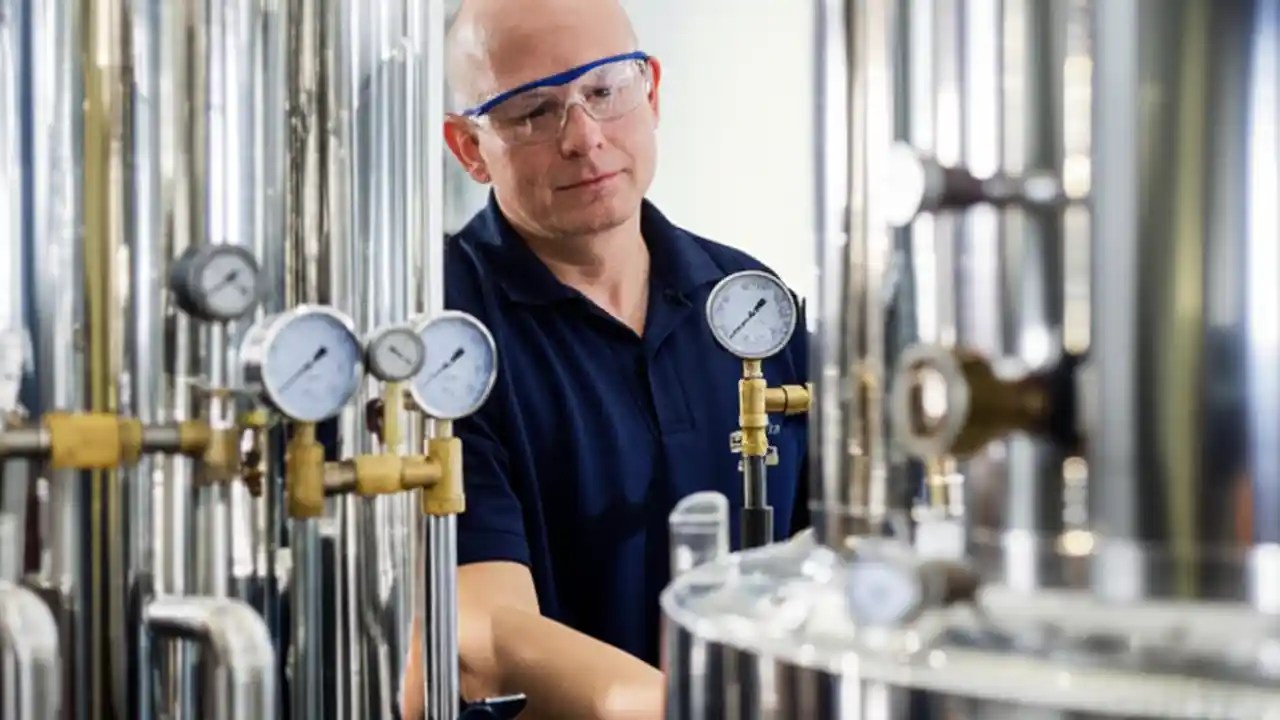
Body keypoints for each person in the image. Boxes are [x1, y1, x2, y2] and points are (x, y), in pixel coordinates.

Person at [403, 0, 809, 717]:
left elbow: (831, 556)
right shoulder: (440, 334)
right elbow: (480, 636)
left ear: (650, 92)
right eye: (532, 111)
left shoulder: (750, 300)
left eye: (603, 91)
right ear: (468, 149)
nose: (583, 139)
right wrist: (691, 708)